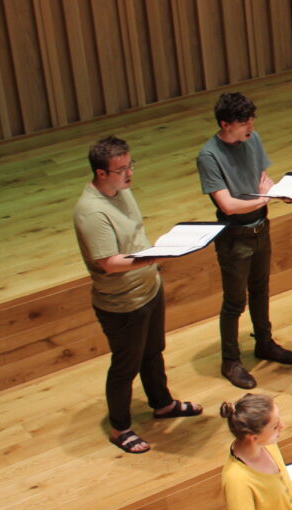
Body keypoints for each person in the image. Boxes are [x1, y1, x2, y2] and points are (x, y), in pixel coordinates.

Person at [74, 135, 201, 455]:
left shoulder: (121, 191)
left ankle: (162, 404)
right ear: (101, 173)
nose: (129, 173)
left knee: (153, 351)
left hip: (148, 289)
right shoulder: (91, 212)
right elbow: (109, 263)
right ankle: (120, 427)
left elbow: (133, 239)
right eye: (121, 169)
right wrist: (158, 257)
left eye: (131, 165)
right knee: (125, 365)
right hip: (122, 303)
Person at [198, 92, 292, 389]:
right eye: (243, 122)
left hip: (260, 227)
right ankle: (230, 360)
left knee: (260, 289)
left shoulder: (252, 139)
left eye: (251, 119)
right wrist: (267, 197)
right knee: (234, 302)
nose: (250, 126)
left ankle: (264, 342)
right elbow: (228, 205)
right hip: (234, 236)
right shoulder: (209, 155)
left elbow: (262, 179)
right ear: (225, 124)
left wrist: (277, 190)